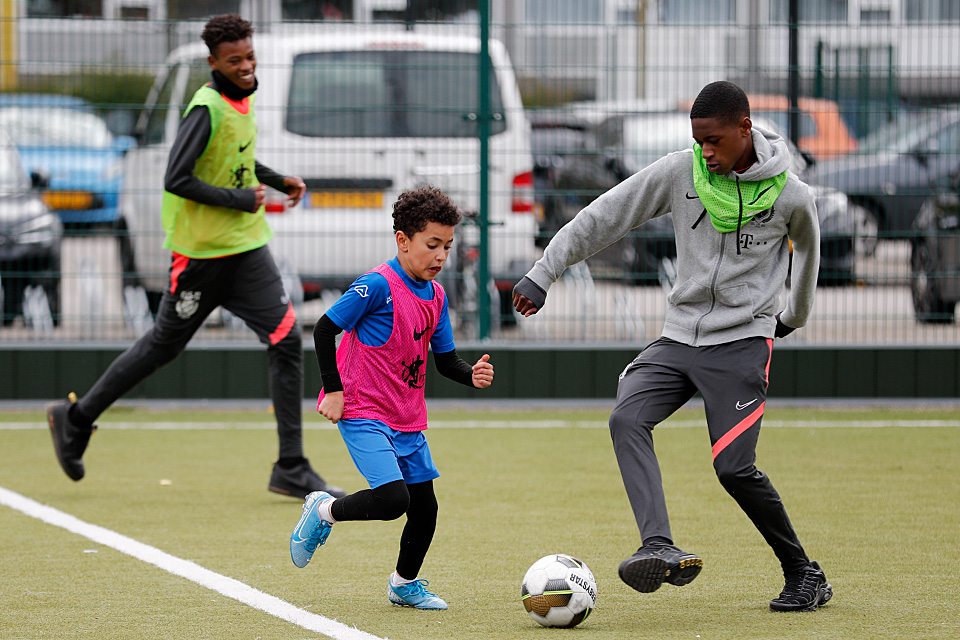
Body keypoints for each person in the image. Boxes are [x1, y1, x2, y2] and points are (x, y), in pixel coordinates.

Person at [512, 81, 832, 612]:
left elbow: (809, 258)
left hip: (743, 341)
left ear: (744, 129)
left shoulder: (793, 196)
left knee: (733, 469)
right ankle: (657, 543)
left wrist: (791, 319)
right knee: (626, 418)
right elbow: (605, 216)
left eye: (713, 140)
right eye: (697, 141)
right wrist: (544, 271)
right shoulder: (681, 172)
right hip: (679, 337)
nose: (705, 152)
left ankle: (804, 573)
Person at [45, 14, 344, 500]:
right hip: (202, 258)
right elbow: (177, 179)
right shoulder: (204, 107)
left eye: (249, 57)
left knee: (287, 338)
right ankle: (75, 418)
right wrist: (242, 199)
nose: (246, 67)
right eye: (235, 61)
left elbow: (234, 161)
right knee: (163, 346)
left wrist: (274, 180)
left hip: (247, 249)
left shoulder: (241, 100)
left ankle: (291, 465)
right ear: (214, 63)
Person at [288, 186, 494, 610]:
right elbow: (324, 330)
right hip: (363, 411)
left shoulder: (436, 297)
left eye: (448, 247)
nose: (441, 256)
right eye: (432, 245)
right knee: (392, 501)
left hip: (408, 417)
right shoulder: (376, 286)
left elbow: (445, 359)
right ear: (403, 240)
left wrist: (469, 374)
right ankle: (323, 510)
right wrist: (334, 390)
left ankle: (404, 585)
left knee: (425, 509)